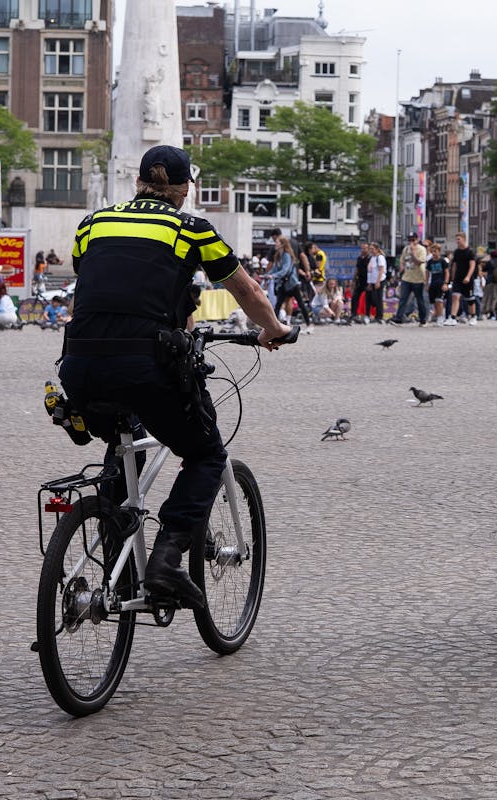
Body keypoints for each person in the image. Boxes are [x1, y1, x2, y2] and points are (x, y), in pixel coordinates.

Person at [58, 145, 293, 610]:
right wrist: (275, 330)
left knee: (123, 442)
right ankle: (166, 558)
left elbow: (104, 290)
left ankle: (116, 556)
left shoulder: (93, 225)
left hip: (80, 366)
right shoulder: (191, 229)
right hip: (145, 365)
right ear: (186, 189)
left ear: (138, 183)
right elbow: (244, 289)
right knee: (206, 454)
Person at [269, 234, 312, 327]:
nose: (275, 244)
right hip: (283, 283)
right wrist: (267, 275)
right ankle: (274, 326)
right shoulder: (278, 255)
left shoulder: (286, 255)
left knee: (301, 304)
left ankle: (309, 325)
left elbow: (285, 270)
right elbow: (275, 268)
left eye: (277, 242)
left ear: (282, 244)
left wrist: (273, 275)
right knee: (278, 305)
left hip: (292, 283)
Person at [391, 232, 430, 325]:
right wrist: (401, 267)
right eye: (409, 240)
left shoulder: (422, 249)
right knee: (403, 298)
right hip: (407, 278)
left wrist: (413, 253)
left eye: (413, 240)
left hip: (418, 279)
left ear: (417, 240)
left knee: (420, 300)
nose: (411, 242)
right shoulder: (406, 249)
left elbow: (419, 262)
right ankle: (399, 318)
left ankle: (423, 319)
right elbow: (402, 260)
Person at [448, 232, 477, 323]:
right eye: (456, 239)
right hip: (458, 278)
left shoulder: (470, 252)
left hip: (467, 279)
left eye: (458, 239)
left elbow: (472, 265)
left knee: (470, 299)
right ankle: (453, 318)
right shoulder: (456, 252)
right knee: (455, 297)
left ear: (464, 239)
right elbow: (454, 265)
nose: (457, 241)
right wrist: (452, 278)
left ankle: (473, 317)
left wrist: (468, 277)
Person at [426, 241, 449, 323]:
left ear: (439, 251)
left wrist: (446, 283)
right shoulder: (430, 262)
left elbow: (446, 272)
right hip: (433, 283)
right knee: (434, 301)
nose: (433, 253)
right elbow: (427, 273)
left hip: (441, 283)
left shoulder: (443, 261)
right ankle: (436, 315)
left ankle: (440, 317)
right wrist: (427, 284)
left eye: (435, 251)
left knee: (439, 301)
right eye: (432, 252)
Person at [349, 242, 370, 322]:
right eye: (362, 248)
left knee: (369, 298)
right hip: (360, 280)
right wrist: (353, 280)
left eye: (365, 248)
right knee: (355, 297)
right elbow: (357, 269)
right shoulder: (359, 258)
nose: (363, 250)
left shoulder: (370, 258)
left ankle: (368, 315)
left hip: (368, 280)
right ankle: (353, 314)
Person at [367, 242, 387, 322]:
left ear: (377, 249)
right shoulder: (372, 258)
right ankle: (370, 314)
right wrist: (369, 282)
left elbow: (381, 270)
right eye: (370, 249)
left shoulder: (380, 257)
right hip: (372, 280)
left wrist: (378, 282)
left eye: (372, 249)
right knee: (371, 298)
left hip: (379, 280)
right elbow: (370, 271)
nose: (371, 250)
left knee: (378, 299)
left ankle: (379, 316)